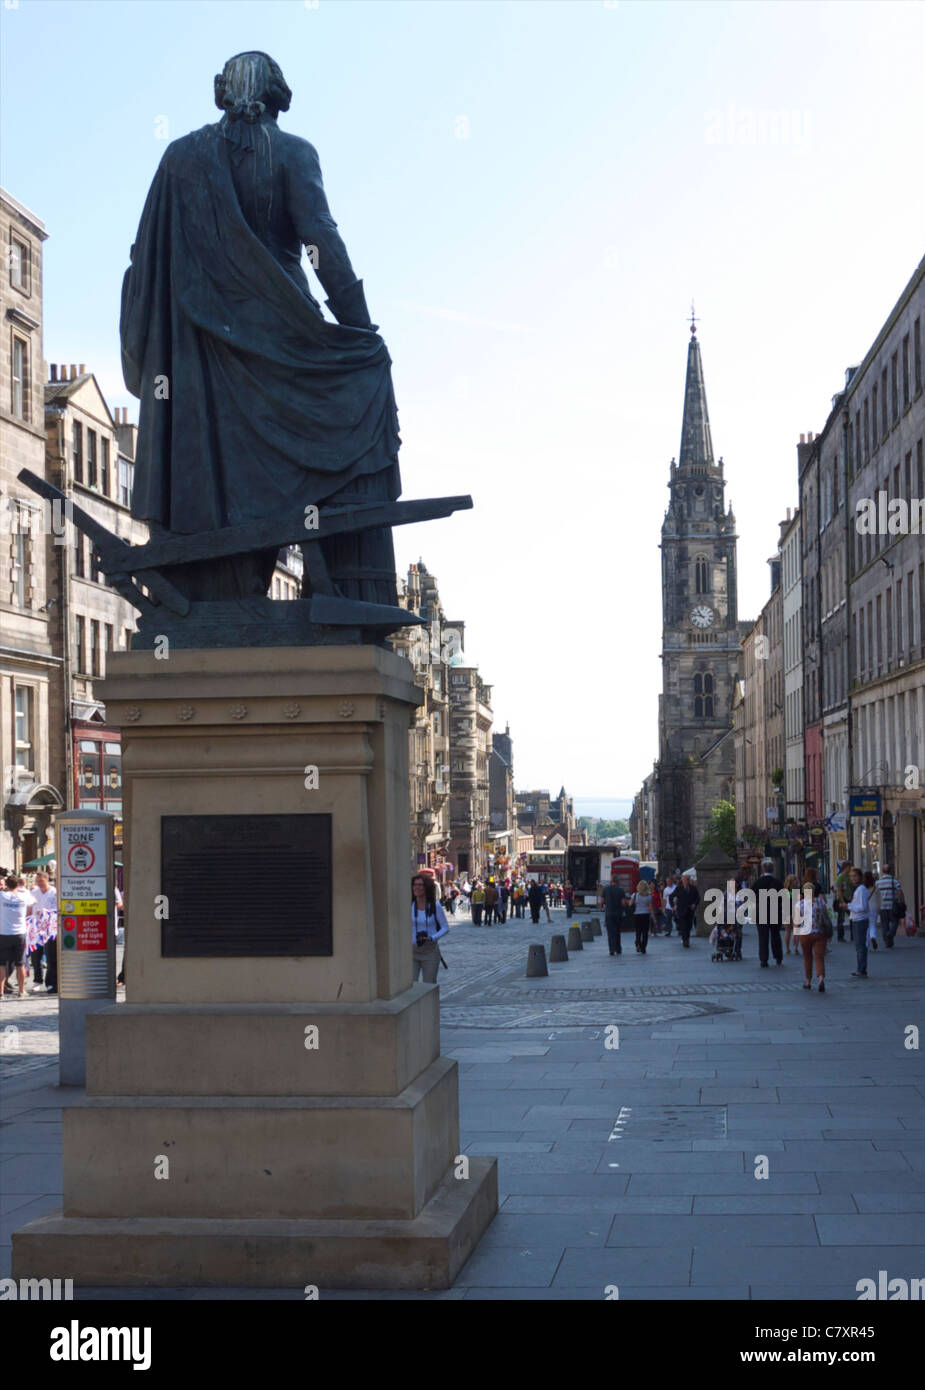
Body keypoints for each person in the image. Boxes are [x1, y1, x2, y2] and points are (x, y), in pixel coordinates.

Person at [0, 874, 35, 1000]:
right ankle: (21, 991)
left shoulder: (2, 896)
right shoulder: (24, 896)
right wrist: (22, 891)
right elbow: (34, 901)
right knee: (20, 963)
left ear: (7, 885)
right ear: (18, 885)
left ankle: (1, 992)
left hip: (3, 933)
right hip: (19, 933)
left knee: (2, 964)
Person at [411, 874, 449, 983]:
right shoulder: (410, 905)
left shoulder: (435, 905)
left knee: (429, 984)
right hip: (412, 951)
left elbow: (445, 927)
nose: (416, 887)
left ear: (426, 887)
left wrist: (432, 937)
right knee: (411, 985)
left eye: (420, 885)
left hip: (430, 951)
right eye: (414, 885)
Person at [794, 874, 828, 993]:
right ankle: (821, 979)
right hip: (819, 933)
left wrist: (795, 937)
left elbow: (797, 922)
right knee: (819, 957)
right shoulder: (820, 902)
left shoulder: (800, 904)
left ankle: (808, 981)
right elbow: (825, 916)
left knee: (807, 957)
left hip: (805, 934)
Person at [27, 871, 57, 993]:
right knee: (36, 956)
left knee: (51, 956)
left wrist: (46, 911)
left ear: (47, 879)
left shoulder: (54, 892)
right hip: (36, 927)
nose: (39, 883)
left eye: (41, 881)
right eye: (37, 881)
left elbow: (57, 909)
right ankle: (37, 980)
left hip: (49, 928)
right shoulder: (33, 892)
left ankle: (51, 982)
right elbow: (29, 907)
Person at [753, 858, 784, 968]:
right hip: (775, 910)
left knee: (763, 936)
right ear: (773, 869)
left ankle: (763, 959)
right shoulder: (777, 882)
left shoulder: (757, 882)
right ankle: (778, 956)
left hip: (761, 911)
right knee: (776, 935)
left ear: (762, 869)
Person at [847, 866, 871, 978]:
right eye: (851, 876)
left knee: (860, 945)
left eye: (855, 876)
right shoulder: (857, 889)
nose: (853, 878)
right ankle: (860, 968)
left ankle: (861, 969)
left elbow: (862, 907)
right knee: (859, 945)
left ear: (860, 877)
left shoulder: (861, 889)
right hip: (857, 918)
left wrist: (849, 906)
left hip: (860, 919)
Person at [875, 864, 903, 948]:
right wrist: (902, 901)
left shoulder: (878, 882)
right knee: (895, 922)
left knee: (884, 924)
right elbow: (900, 892)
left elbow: (876, 895)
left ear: (883, 871)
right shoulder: (894, 881)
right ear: (890, 870)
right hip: (892, 906)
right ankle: (890, 935)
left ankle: (887, 941)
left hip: (882, 906)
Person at [673, 872, 700, 948]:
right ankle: (685, 940)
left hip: (690, 910)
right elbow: (673, 896)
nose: (685, 881)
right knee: (683, 926)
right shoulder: (679, 888)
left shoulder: (693, 888)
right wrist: (674, 900)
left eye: (686, 880)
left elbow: (697, 898)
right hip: (681, 910)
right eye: (684, 879)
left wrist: (694, 904)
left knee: (689, 926)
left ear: (688, 880)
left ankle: (686, 937)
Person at [601, 880, 626, 955]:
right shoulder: (620, 890)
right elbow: (623, 902)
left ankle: (611, 949)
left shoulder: (605, 889)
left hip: (609, 913)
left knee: (610, 932)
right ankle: (618, 948)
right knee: (617, 931)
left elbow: (602, 901)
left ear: (611, 882)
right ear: (617, 882)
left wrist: (604, 905)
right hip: (618, 913)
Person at [631, 879, 655, 953]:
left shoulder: (634, 895)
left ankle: (638, 943)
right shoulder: (649, 896)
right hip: (646, 915)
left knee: (638, 931)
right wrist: (653, 917)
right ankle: (643, 947)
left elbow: (630, 904)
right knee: (645, 932)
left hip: (637, 915)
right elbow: (650, 907)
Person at [782, 874, 800, 955]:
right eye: (795, 880)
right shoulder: (797, 891)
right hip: (794, 912)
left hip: (786, 912)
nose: (796, 881)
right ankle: (795, 948)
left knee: (788, 931)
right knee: (794, 930)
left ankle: (788, 948)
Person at [834, 861, 852, 942]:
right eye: (849, 867)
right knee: (841, 919)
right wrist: (841, 901)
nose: (850, 869)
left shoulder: (850, 876)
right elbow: (839, 890)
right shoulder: (841, 877)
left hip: (849, 899)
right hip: (842, 899)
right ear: (845, 868)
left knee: (852, 917)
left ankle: (853, 935)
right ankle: (840, 936)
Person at [863, 870, 879, 950]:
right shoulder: (875, 887)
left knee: (866, 926)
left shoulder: (863, 888)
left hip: (866, 907)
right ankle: (873, 936)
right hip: (874, 907)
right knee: (873, 924)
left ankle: (866, 943)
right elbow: (879, 898)